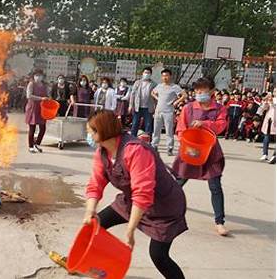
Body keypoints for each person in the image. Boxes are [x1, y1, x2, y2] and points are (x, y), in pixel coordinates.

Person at [84, 110, 187, 279]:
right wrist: (90, 211)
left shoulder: (135, 151)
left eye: (90, 132)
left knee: (158, 255)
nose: (87, 136)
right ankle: (102, 268)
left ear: (102, 131)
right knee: (96, 225)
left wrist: (130, 230)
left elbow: (142, 193)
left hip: (163, 207)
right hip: (131, 201)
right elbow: (95, 184)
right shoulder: (102, 153)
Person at [173, 77, 229, 236]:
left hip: (210, 152)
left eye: (203, 91)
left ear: (212, 91)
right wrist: (184, 141)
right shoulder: (188, 108)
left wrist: (204, 124)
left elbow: (221, 126)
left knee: (215, 186)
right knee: (178, 182)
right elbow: (180, 128)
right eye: (197, 91)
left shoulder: (219, 109)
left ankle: (219, 222)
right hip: (190, 149)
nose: (199, 94)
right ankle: (157, 208)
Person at [151, 69, 186, 156]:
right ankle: (154, 145)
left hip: (168, 111)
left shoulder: (175, 87)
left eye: (166, 76)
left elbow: (184, 95)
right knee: (156, 130)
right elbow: (152, 92)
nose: (164, 77)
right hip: (158, 111)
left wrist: (176, 102)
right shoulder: (159, 86)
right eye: (163, 76)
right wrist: (157, 98)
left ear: (170, 76)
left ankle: (169, 148)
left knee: (169, 130)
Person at [25, 70, 49, 153]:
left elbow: (46, 95)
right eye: (36, 75)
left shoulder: (44, 85)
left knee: (43, 128)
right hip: (32, 108)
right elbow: (29, 96)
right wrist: (41, 98)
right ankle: (30, 146)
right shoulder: (31, 84)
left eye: (40, 75)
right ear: (34, 76)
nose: (38, 77)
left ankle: (37, 143)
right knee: (32, 128)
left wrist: (48, 98)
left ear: (43, 76)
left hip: (42, 109)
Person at [129, 67, 157, 137]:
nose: (146, 74)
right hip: (137, 107)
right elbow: (132, 94)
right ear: (142, 73)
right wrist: (130, 105)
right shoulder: (137, 82)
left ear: (151, 74)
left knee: (148, 125)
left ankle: (148, 141)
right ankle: (133, 138)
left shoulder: (154, 84)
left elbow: (156, 97)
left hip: (148, 108)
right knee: (135, 124)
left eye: (148, 73)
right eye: (145, 73)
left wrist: (155, 108)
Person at [258, 90, 275, 164]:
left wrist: (271, 102)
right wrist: (265, 102)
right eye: (274, 91)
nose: (274, 92)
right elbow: (263, 109)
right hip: (269, 120)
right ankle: (265, 154)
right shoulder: (270, 100)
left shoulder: (273, 101)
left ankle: (274, 155)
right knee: (266, 136)